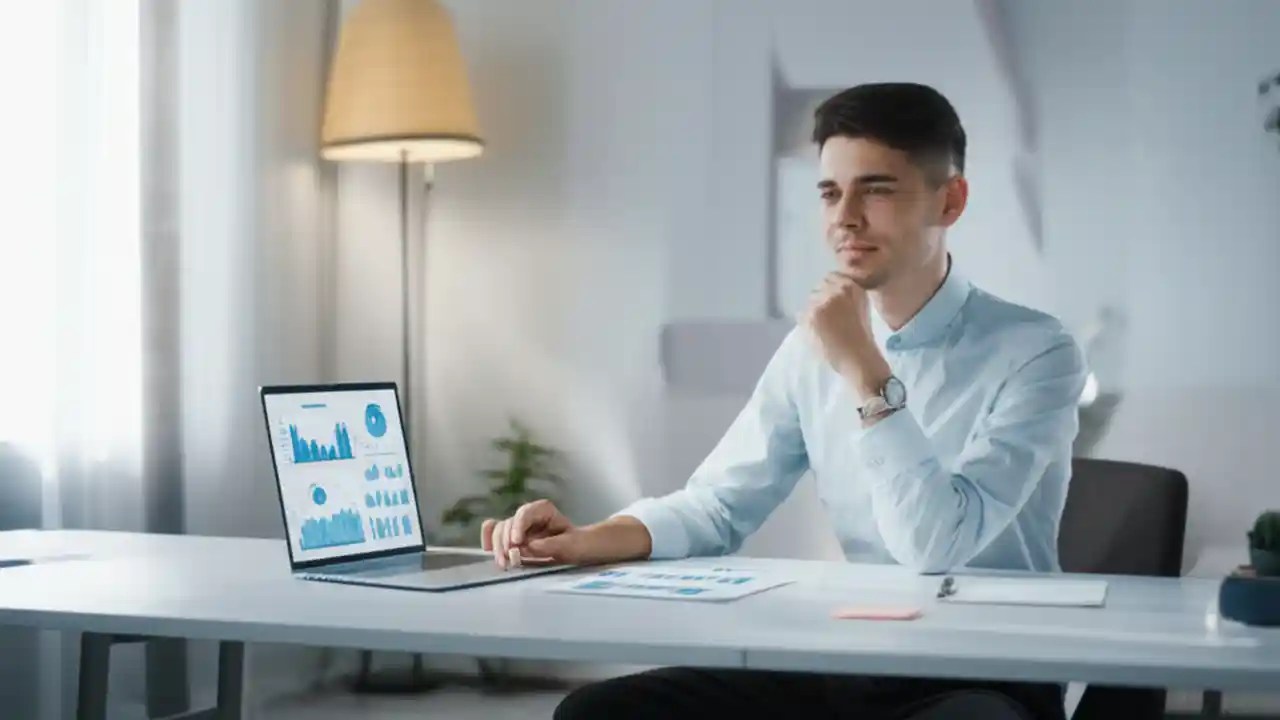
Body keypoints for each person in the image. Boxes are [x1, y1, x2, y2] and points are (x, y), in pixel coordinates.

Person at [481, 82, 1086, 720]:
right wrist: (586, 540)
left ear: (950, 200)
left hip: (989, 671)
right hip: (859, 655)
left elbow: (936, 546)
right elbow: (717, 507)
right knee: (598, 713)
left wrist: (863, 367)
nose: (845, 217)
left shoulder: (1036, 351)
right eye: (829, 192)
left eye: (876, 190)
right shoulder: (809, 349)